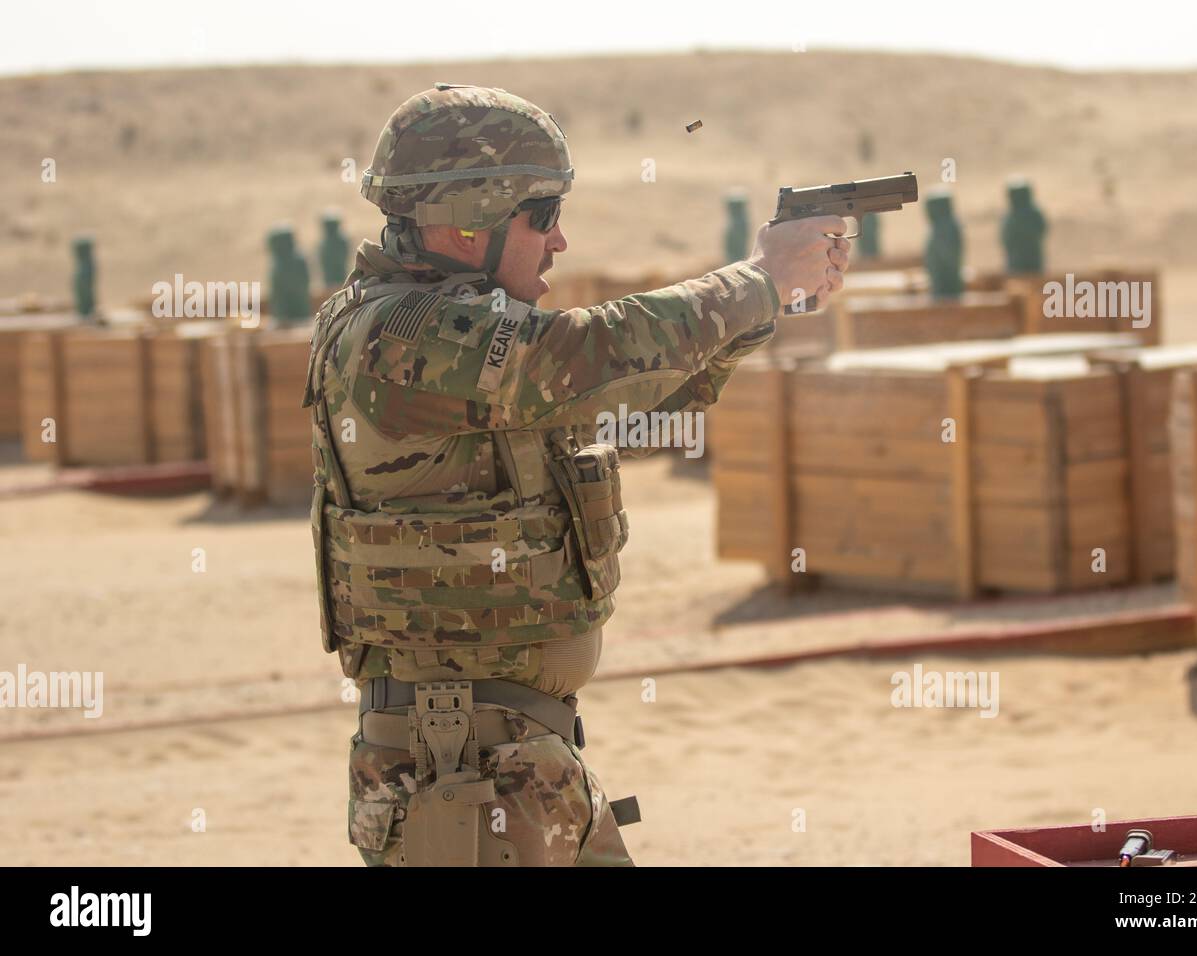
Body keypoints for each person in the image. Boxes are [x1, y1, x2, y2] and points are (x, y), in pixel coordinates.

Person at [302, 83, 848, 866]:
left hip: (516, 764)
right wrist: (756, 281)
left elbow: (631, 396)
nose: (558, 242)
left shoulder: (460, 343)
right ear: (470, 218)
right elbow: (576, 356)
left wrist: (766, 303)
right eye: (543, 216)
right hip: (463, 776)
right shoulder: (395, 334)